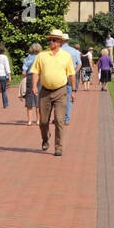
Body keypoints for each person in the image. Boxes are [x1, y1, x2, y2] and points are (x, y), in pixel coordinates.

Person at [30, 29, 75, 157]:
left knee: (59, 121)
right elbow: (35, 72)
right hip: (45, 91)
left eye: (54, 40)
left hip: (61, 91)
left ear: (60, 42)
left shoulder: (66, 56)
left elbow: (72, 74)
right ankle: (45, 138)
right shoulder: (42, 55)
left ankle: (58, 147)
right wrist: (34, 86)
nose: (51, 42)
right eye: (50, 39)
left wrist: (73, 91)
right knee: (43, 121)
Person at [62, 39, 82, 125]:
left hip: (60, 76)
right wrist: (74, 72)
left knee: (57, 98)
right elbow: (79, 63)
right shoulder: (75, 51)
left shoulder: (58, 50)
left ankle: (58, 117)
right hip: (70, 76)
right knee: (69, 97)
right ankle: (67, 119)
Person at [21, 43, 41, 127]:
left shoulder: (27, 58)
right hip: (40, 76)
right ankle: (38, 120)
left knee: (29, 96)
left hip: (30, 76)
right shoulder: (41, 58)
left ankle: (29, 120)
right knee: (38, 96)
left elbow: (23, 71)